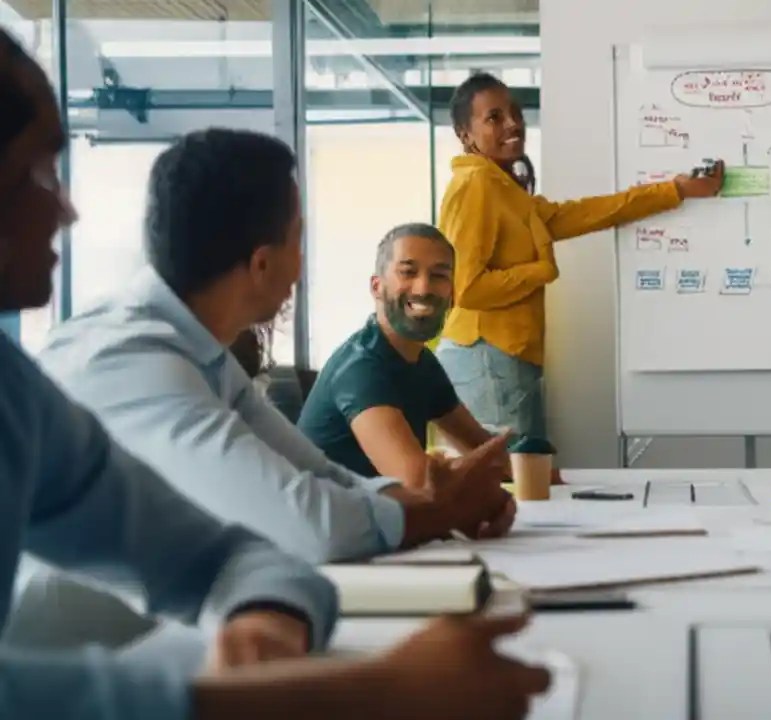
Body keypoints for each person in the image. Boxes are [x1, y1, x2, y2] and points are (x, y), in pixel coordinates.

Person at [0, 28, 550, 719]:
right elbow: (308, 525)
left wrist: (269, 611)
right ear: (262, 264)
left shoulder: (85, 374)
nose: (65, 208)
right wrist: (372, 689)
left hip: (142, 658)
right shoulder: (124, 361)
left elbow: (279, 516)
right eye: (38, 175)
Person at [435, 71, 724, 442]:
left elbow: (585, 213)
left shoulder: (503, 188)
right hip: (486, 356)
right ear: (466, 135)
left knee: (523, 485)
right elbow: (466, 288)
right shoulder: (476, 185)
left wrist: (675, 190)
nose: (513, 124)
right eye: (494, 117)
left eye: (516, 112)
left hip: (502, 358)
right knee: (510, 488)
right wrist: (539, 271)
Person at [300, 223, 527, 486]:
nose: (423, 288)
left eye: (439, 275)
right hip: (334, 523)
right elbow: (418, 481)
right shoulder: (360, 367)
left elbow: (483, 450)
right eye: (408, 272)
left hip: (384, 518)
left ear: (452, 295)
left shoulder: (422, 362)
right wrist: (482, 461)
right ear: (376, 286)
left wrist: (545, 473)